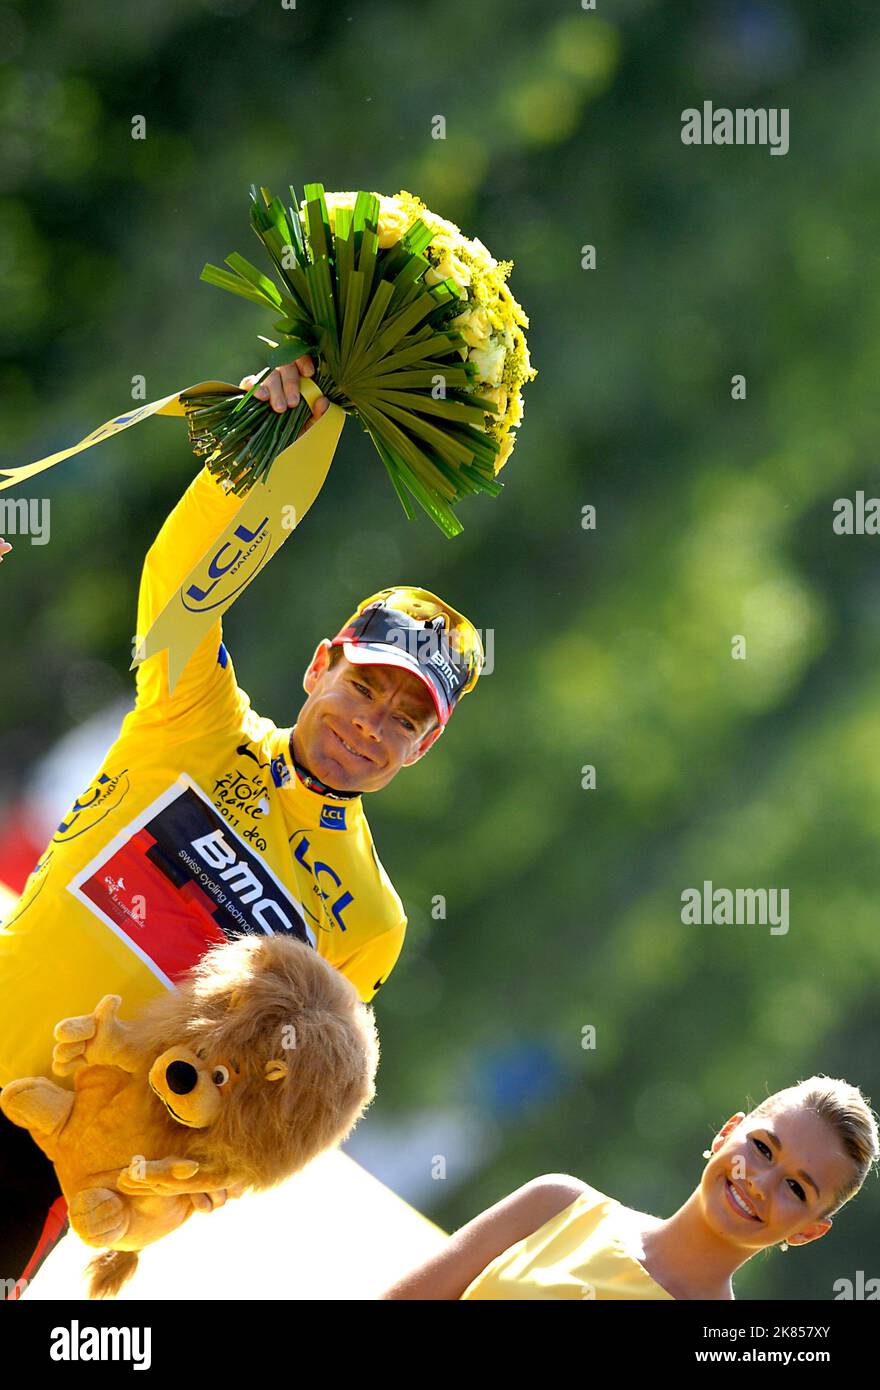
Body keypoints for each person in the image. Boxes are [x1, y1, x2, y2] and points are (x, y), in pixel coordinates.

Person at [0, 356, 484, 1295]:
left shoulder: (369, 920)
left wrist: (170, 1194)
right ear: (320, 666)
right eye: (364, 687)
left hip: (47, 1160)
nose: (368, 725)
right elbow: (184, 577)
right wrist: (272, 442)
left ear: (421, 750)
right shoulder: (197, 714)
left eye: (404, 720)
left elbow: (278, 1111)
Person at [382, 1075, 878, 1300]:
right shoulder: (556, 1203)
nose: (761, 1182)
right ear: (727, 1133)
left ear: (809, 1231)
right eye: (764, 1148)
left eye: (796, 1188)